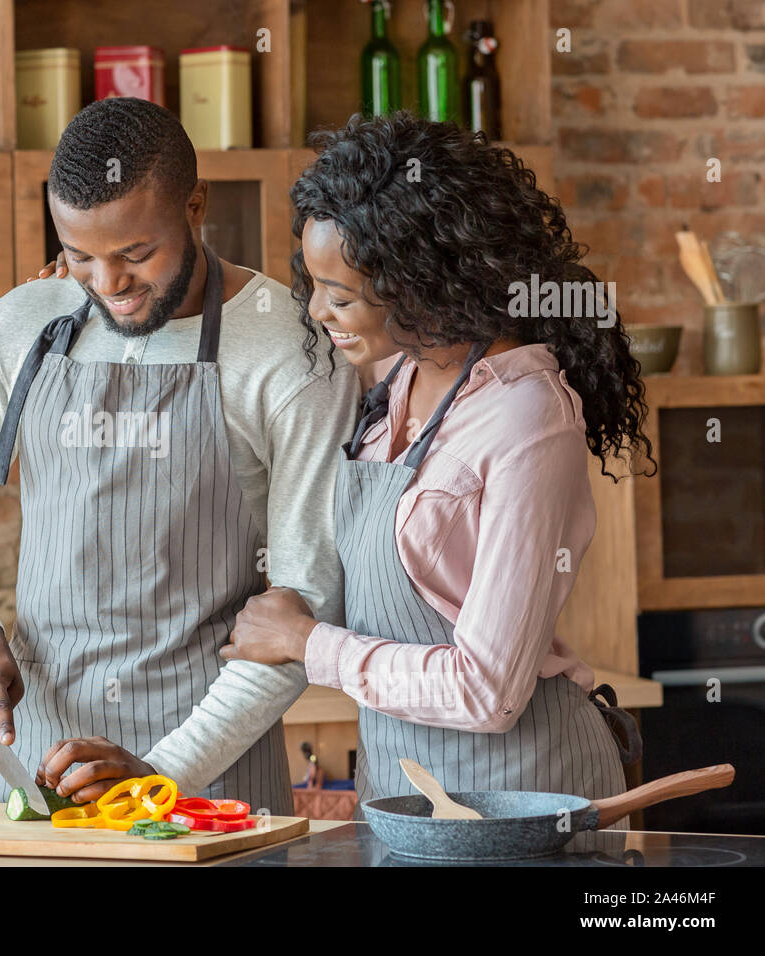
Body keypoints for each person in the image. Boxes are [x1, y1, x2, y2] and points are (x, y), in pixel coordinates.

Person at [0, 98, 360, 811]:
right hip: (34, 757)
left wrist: (163, 773)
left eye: (135, 254)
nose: (108, 285)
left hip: (206, 775)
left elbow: (306, 595)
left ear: (196, 205)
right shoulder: (27, 321)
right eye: (81, 256)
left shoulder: (287, 348)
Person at [224, 113, 652, 817]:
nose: (317, 312)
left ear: (425, 282)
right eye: (313, 284)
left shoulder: (527, 417)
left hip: (526, 797)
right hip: (402, 798)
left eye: (341, 295)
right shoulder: (395, 378)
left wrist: (309, 645)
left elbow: (487, 691)